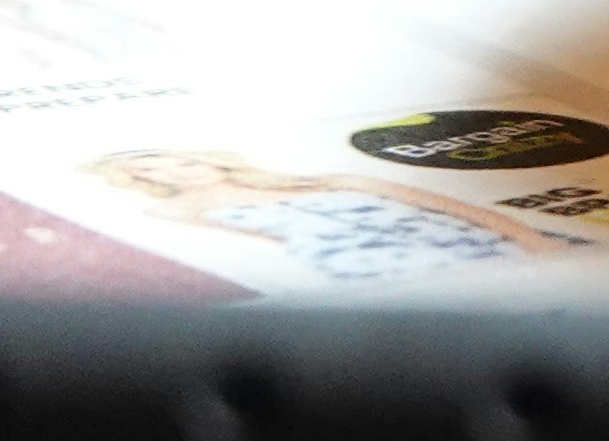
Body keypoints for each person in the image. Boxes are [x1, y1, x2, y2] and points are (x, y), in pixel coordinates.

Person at [84, 149, 576, 283]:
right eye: (148, 168)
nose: (174, 171)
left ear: (212, 159)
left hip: (500, 251)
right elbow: (266, 254)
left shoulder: (331, 180)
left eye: (179, 159)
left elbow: (455, 207)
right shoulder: (174, 211)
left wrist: (532, 241)